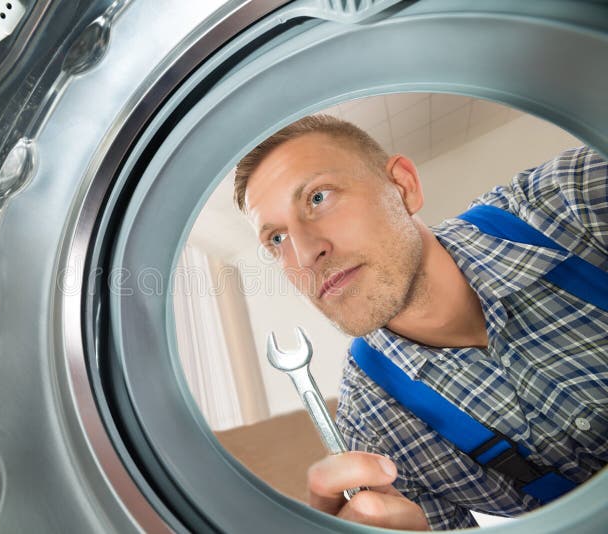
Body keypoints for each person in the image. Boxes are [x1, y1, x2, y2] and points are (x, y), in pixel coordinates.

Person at [234, 114, 607, 530]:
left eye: (318, 198)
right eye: (277, 239)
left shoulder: (573, 198)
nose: (304, 255)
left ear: (403, 186)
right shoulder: (372, 430)